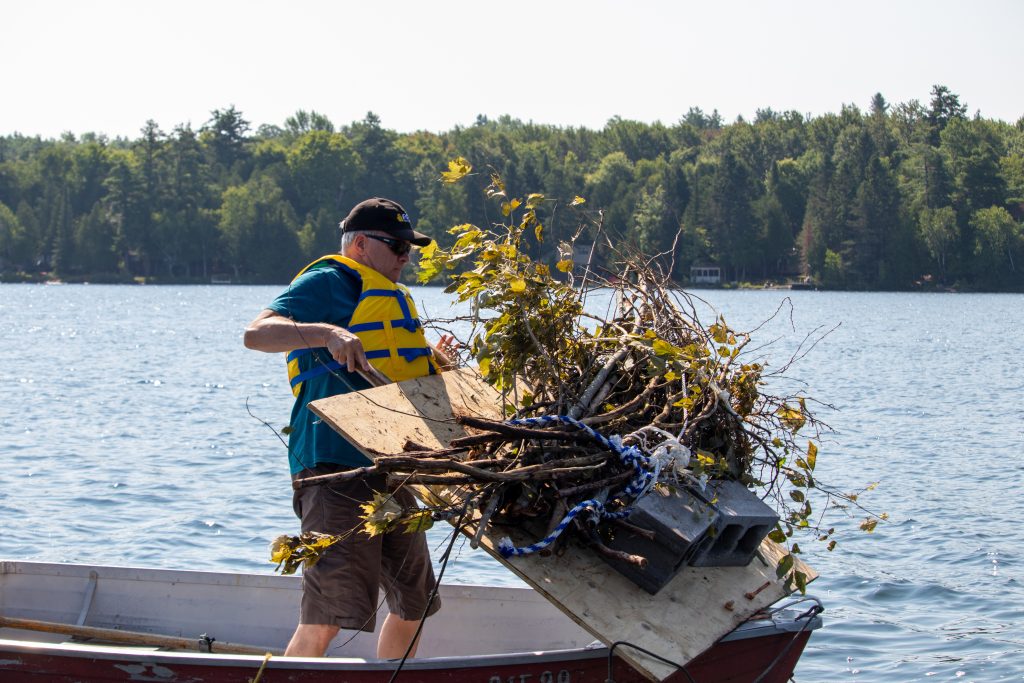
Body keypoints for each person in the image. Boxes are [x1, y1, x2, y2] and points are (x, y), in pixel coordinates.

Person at [244, 197, 455, 659]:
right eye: (397, 246)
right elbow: (257, 333)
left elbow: (395, 368)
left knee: (414, 604)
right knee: (327, 615)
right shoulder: (330, 280)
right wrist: (328, 333)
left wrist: (440, 364)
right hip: (334, 466)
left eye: (409, 249)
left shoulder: (387, 296)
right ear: (360, 244)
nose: (406, 257)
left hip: (392, 465)